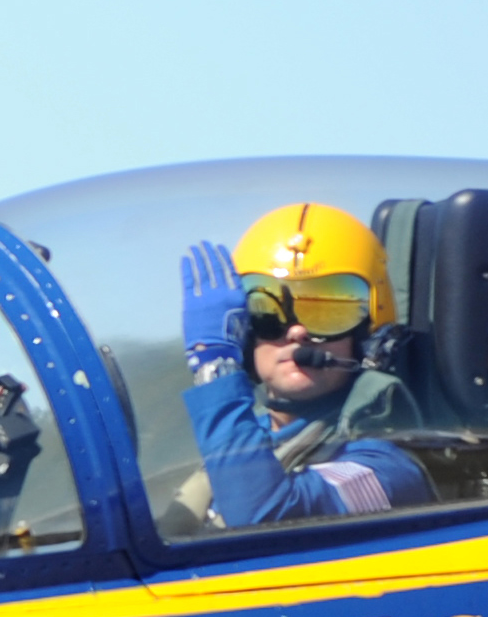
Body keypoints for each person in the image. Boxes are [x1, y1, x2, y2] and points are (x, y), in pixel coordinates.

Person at [174, 202, 433, 529]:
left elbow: (265, 518)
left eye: (328, 311)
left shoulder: (386, 467)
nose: (297, 331)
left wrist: (215, 368)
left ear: (368, 332)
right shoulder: (245, 439)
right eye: (268, 313)